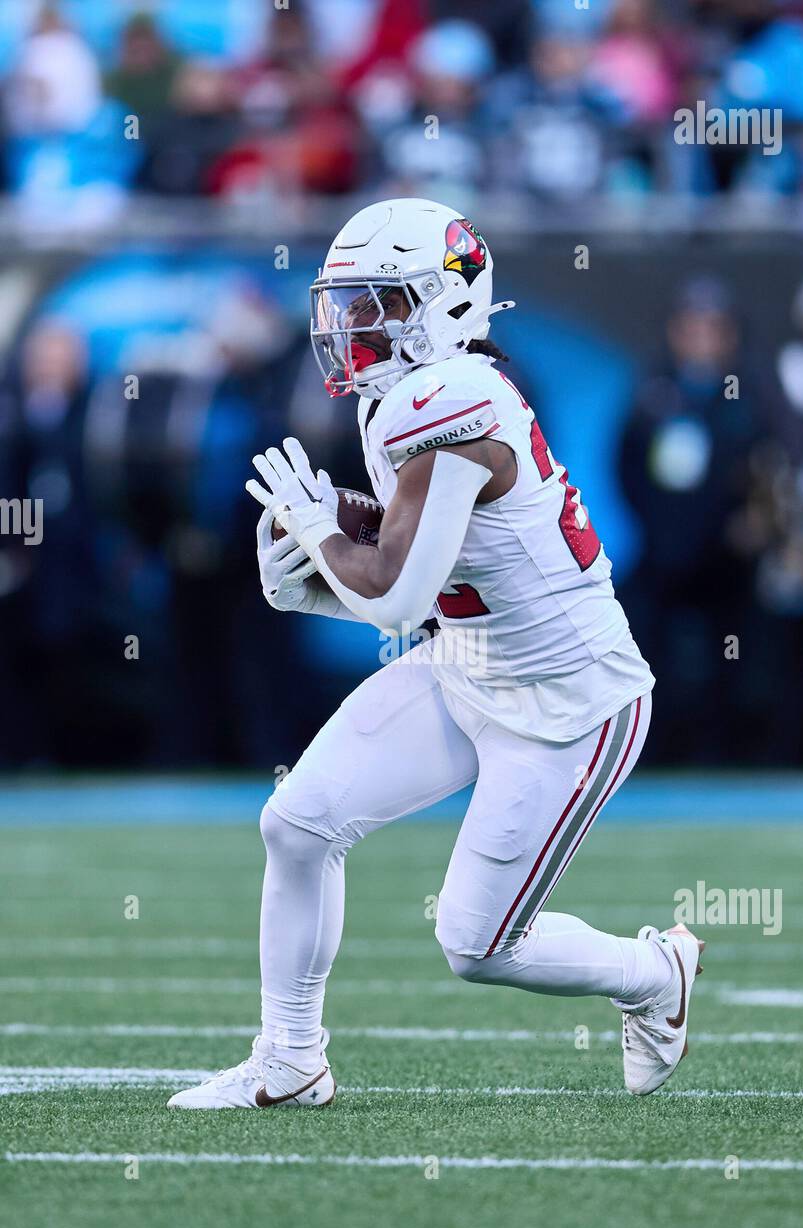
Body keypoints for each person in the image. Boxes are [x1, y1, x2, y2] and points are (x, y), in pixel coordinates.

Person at [168, 198, 702, 1111]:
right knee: (296, 825)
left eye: (378, 300)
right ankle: (289, 1059)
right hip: (471, 664)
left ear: (443, 304)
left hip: (570, 701)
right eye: (348, 301)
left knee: (477, 944)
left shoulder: (452, 399)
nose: (353, 324)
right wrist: (313, 583)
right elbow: (421, 594)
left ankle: (654, 974)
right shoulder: (406, 399)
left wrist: (316, 534)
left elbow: (400, 594)